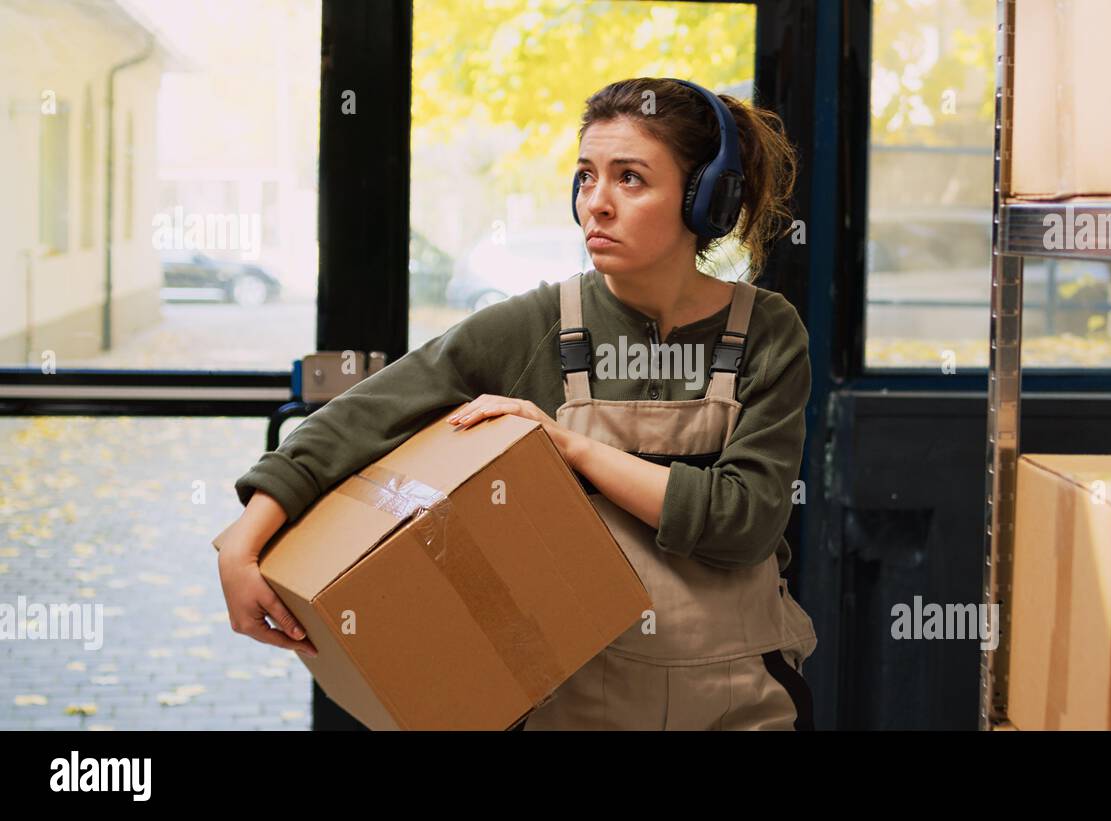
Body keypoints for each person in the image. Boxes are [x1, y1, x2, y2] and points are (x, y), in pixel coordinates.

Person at [215, 77, 817, 730]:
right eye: (586, 177)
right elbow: (355, 420)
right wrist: (241, 546)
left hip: (745, 700)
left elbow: (743, 520)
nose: (597, 204)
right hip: (581, 703)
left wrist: (571, 447)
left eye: (631, 179)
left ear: (706, 200)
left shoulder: (767, 331)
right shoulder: (537, 326)